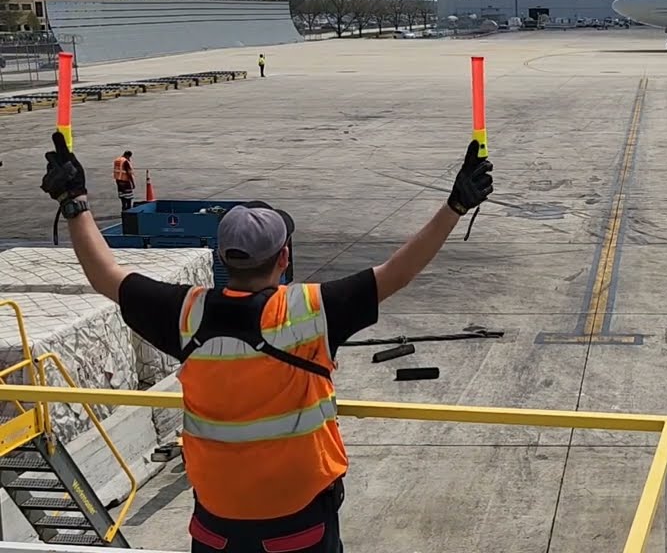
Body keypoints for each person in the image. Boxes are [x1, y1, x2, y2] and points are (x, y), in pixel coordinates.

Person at [38, 131, 493, 553]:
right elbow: (398, 271)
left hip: (216, 528)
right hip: (298, 528)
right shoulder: (312, 312)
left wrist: (75, 202)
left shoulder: (184, 313)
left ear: (222, 257)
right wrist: (455, 205)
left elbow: (106, 275)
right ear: (285, 258)